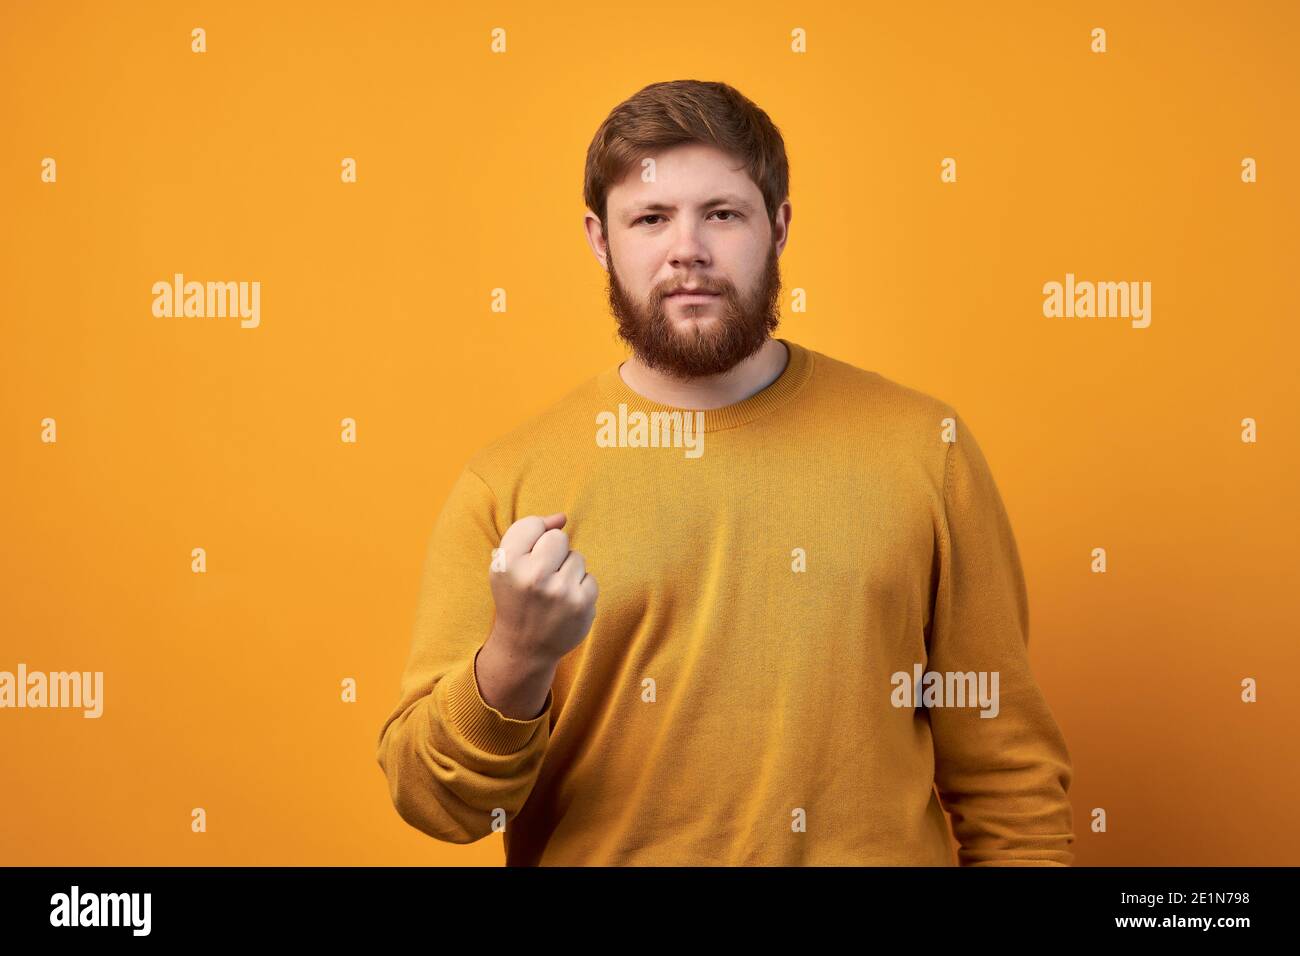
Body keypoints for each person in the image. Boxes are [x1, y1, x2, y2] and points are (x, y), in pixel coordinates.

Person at [376, 79, 1074, 866]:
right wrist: (516, 654)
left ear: (777, 227)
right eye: (650, 218)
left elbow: (1009, 781)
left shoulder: (926, 448)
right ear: (600, 240)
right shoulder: (506, 484)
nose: (688, 251)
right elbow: (437, 803)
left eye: (723, 214)